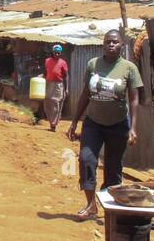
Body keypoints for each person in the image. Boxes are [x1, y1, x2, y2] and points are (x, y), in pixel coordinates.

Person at [67, 29, 142, 220]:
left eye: (115, 42)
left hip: (118, 125)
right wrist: (74, 121)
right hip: (93, 123)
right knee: (86, 160)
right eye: (108, 41)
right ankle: (91, 204)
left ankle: (111, 208)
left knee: (113, 166)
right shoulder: (93, 65)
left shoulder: (129, 68)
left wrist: (133, 127)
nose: (111, 45)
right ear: (103, 44)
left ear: (122, 45)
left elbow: (134, 100)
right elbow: (85, 94)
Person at [43, 44, 68, 132]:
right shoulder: (47, 61)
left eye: (58, 53)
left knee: (56, 103)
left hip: (58, 85)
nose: (57, 54)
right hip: (48, 84)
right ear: (52, 52)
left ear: (60, 53)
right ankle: (51, 121)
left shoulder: (63, 62)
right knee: (47, 102)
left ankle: (54, 124)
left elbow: (66, 76)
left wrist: (66, 88)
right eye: (55, 52)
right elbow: (45, 72)